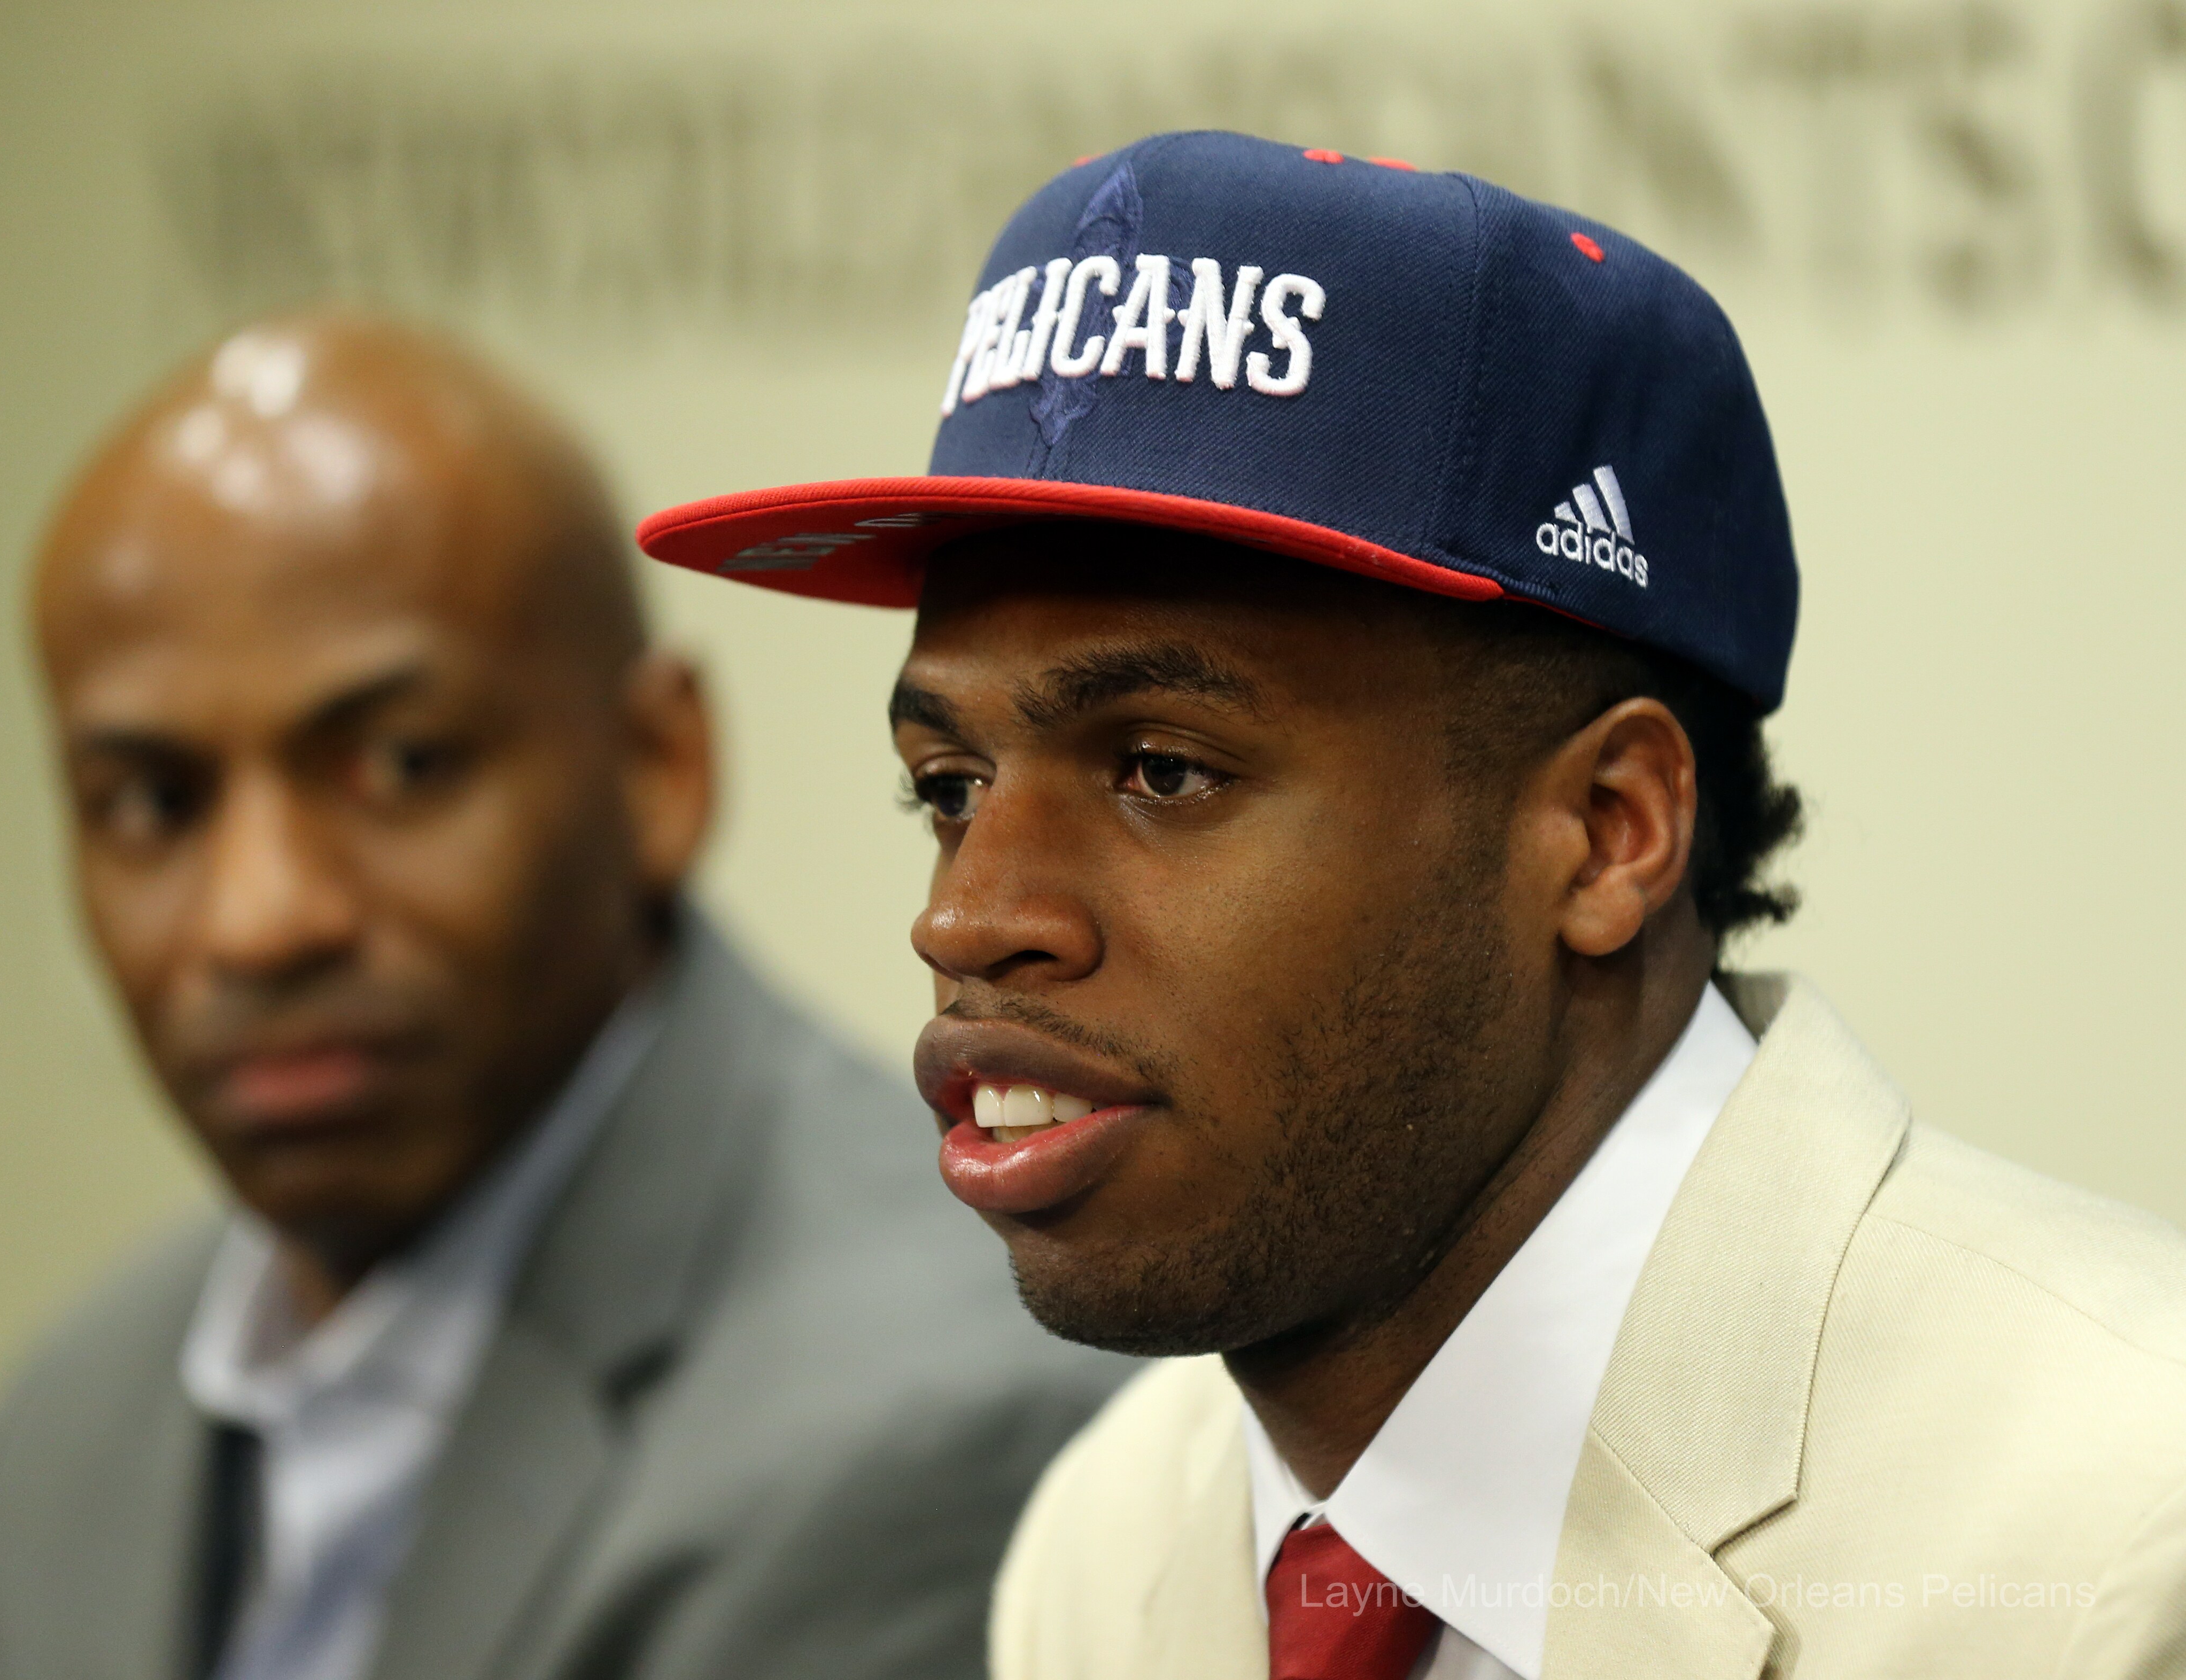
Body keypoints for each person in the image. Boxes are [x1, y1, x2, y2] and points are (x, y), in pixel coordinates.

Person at [635, 132, 2186, 1677]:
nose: (968, 921)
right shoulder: (1113, 1539)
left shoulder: (2120, 1529)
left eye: (1164, 771)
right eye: (951, 786)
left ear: (1603, 834)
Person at [0, 314, 1126, 1680]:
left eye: (400, 765)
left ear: (656, 768)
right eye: (154, 801)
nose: (259, 921)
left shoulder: (926, 1426)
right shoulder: (63, 1434)